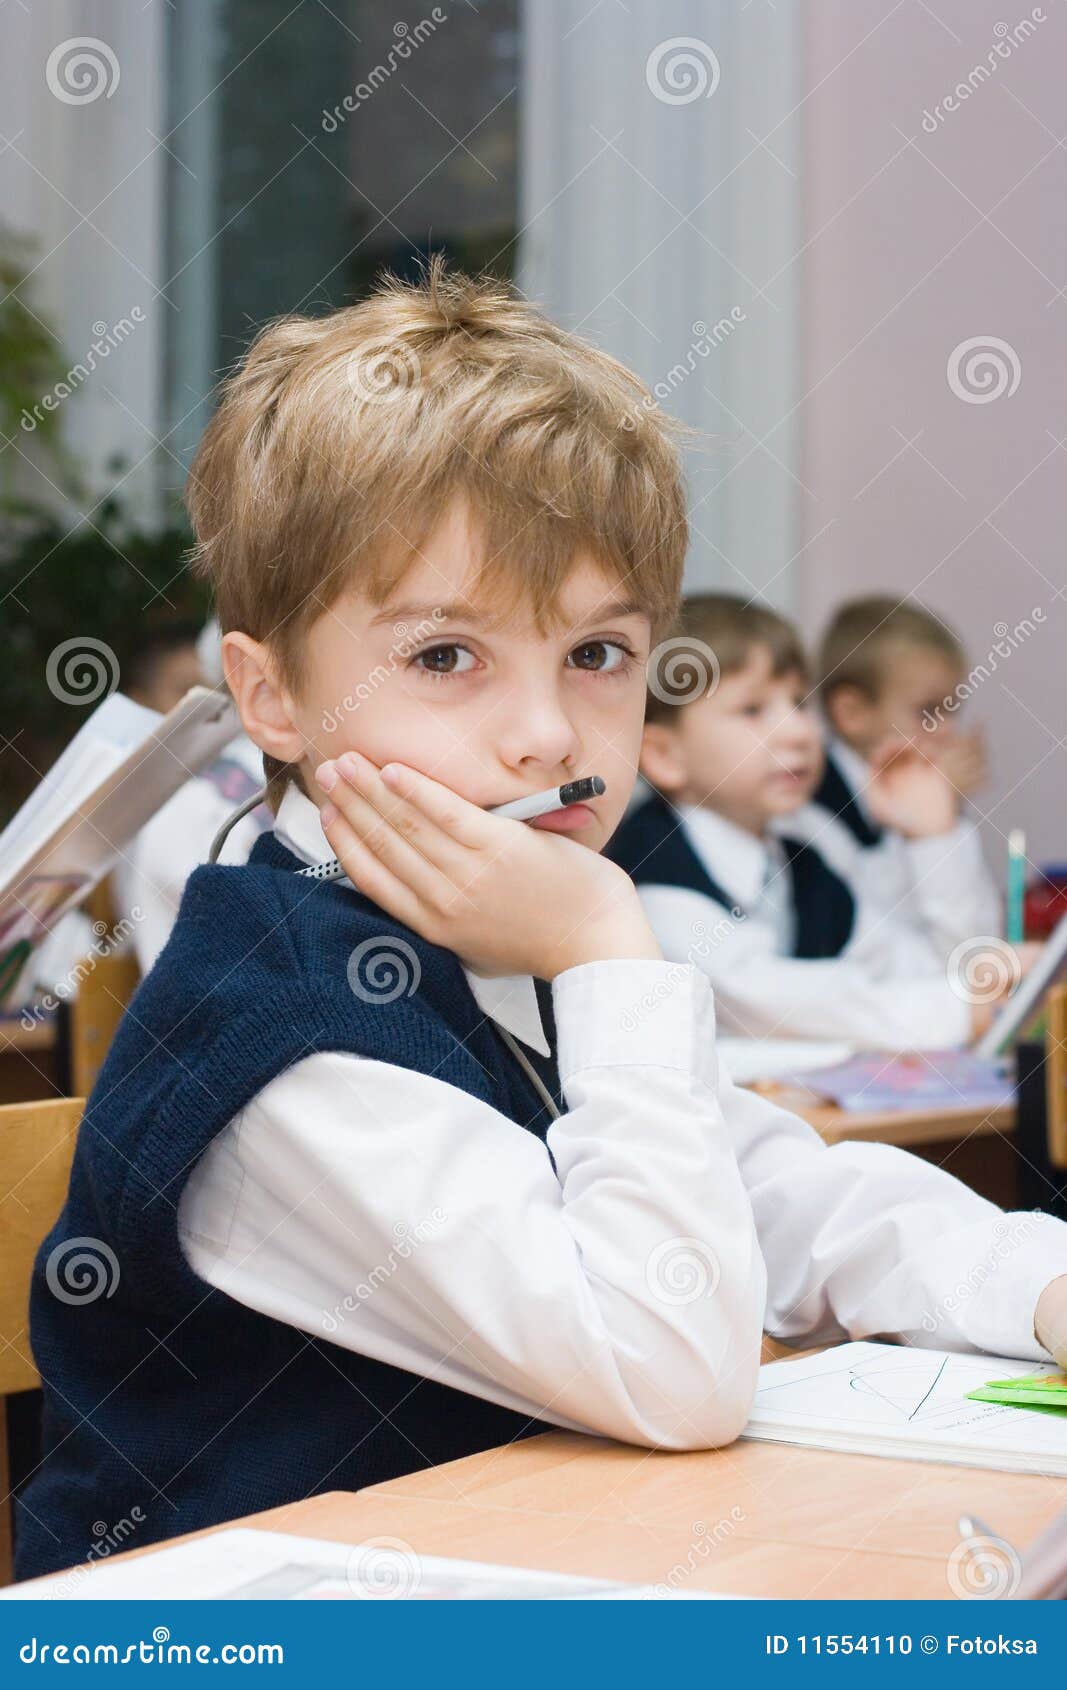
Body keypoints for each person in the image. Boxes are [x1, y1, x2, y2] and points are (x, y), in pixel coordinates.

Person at [16, 264, 1067, 1581]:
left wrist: (1034, 1280)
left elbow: (780, 1187)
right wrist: (604, 951)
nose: (545, 732)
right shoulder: (286, 1040)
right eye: (445, 656)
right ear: (271, 696)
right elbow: (670, 1363)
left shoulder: (479, 937)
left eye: (597, 654)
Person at [609, 594, 1023, 1050]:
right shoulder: (649, 875)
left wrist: (934, 837)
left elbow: (934, 968)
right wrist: (969, 1006)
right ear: (667, 755)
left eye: (799, 703)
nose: (801, 732)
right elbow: (774, 1000)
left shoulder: (803, 861)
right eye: (753, 710)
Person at [802, 596, 1000, 959]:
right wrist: (933, 833)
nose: (947, 730)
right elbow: (947, 958)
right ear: (852, 713)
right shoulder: (810, 811)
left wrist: (946, 818)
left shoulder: (928, 793)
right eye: (928, 711)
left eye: (953, 709)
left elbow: (984, 939)